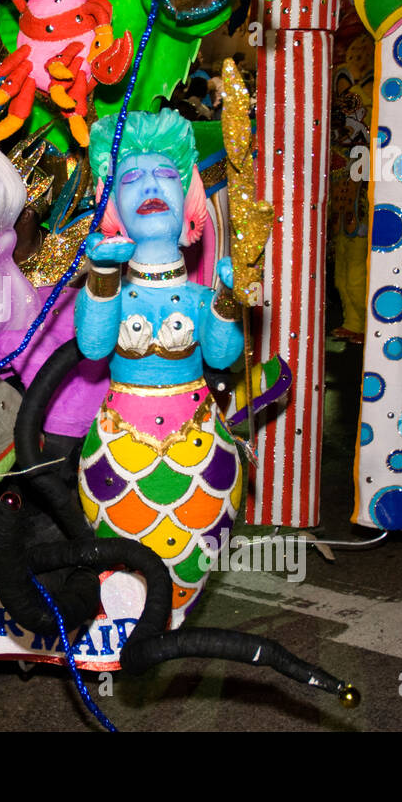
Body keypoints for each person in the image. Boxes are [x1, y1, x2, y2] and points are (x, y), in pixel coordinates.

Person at [76, 109, 244, 622]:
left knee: (189, 546)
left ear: (189, 196)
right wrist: (102, 274)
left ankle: (174, 617)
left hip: (202, 450)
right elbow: (92, 344)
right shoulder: (109, 286)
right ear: (112, 205)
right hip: (117, 451)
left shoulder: (198, 295)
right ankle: (128, 618)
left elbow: (220, 355)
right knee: (122, 554)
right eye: (130, 178)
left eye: (166, 175)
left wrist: (229, 299)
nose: (151, 184)